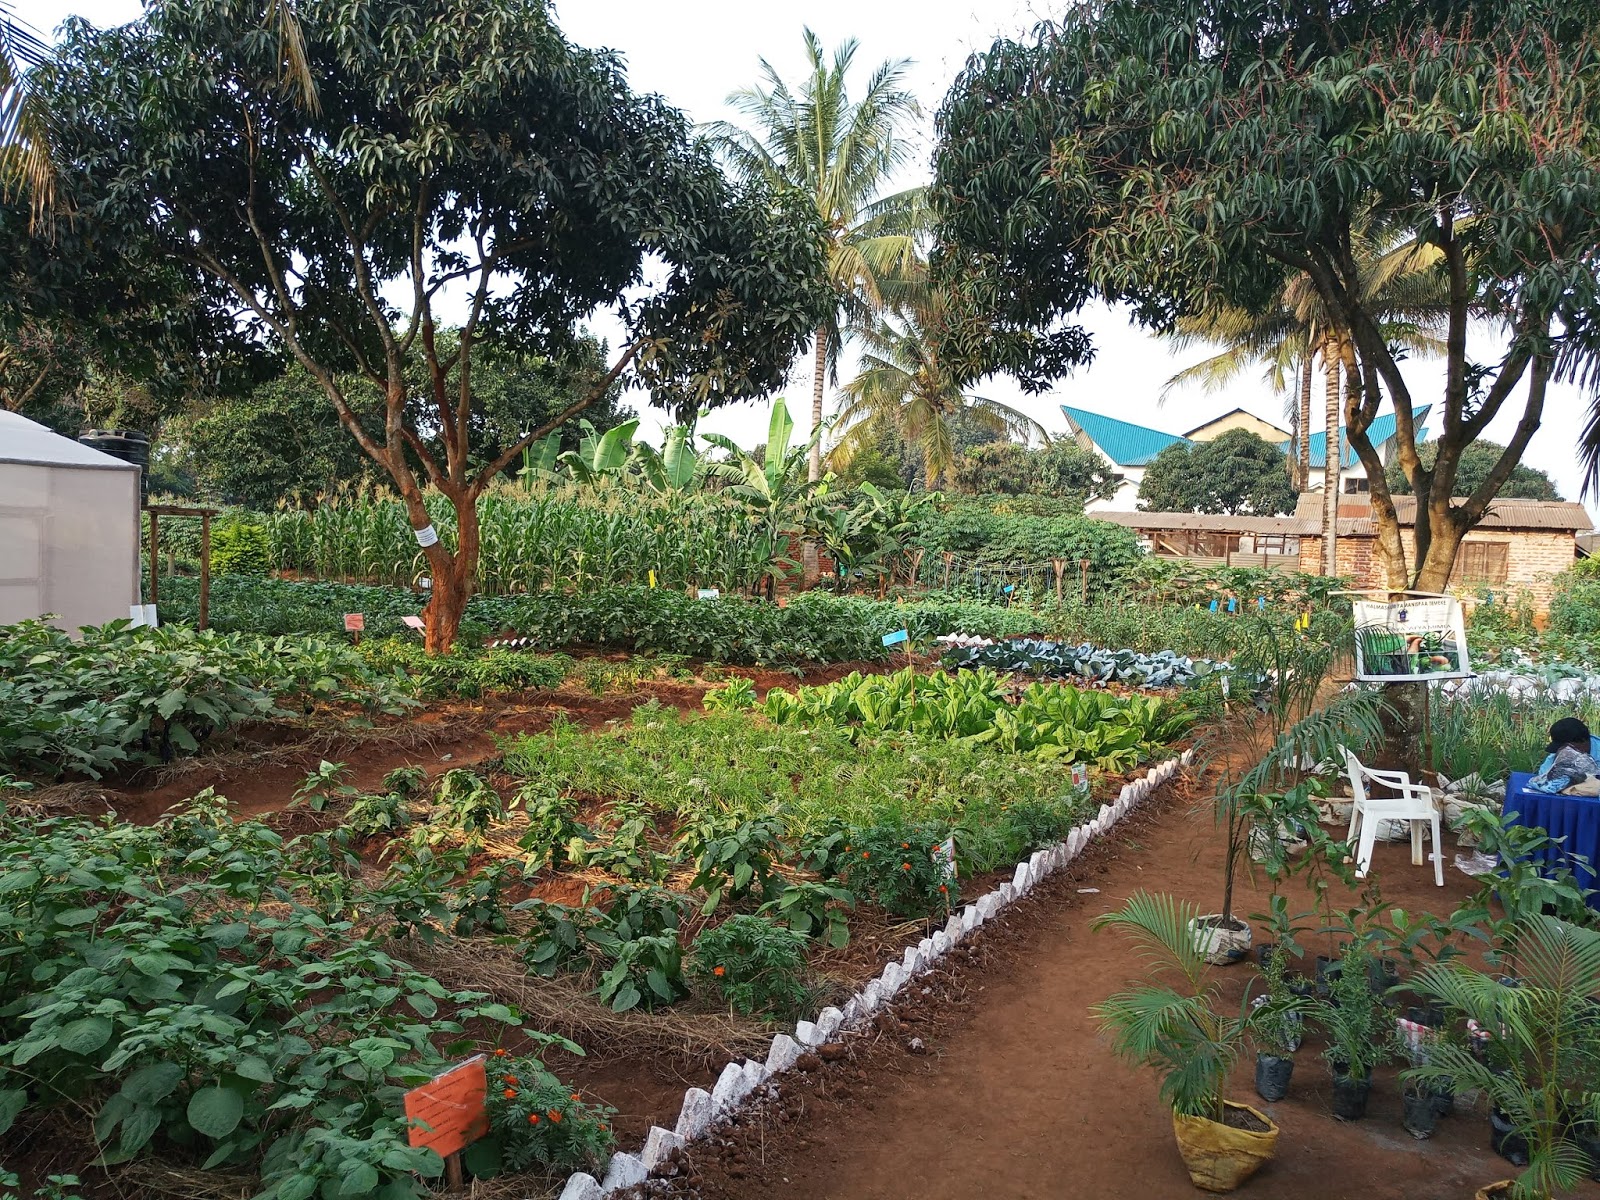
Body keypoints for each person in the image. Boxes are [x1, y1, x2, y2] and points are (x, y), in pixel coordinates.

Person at [1528, 717, 1600, 795]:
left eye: (1567, 747)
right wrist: (1557, 764)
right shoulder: (1560, 753)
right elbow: (1543, 776)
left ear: (1583, 741)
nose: (1564, 751)